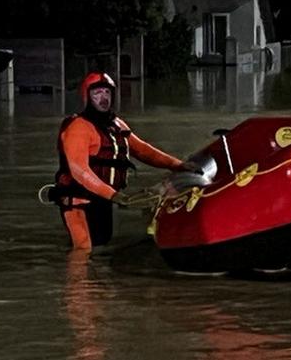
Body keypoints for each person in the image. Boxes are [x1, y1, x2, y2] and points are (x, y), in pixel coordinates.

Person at [52, 72, 197, 251]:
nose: (103, 98)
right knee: (83, 248)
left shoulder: (116, 125)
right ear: (87, 96)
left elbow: (143, 150)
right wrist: (115, 196)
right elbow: (79, 171)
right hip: (77, 200)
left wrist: (178, 165)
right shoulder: (78, 127)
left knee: (101, 243)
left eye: (107, 92)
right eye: (97, 93)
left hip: (103, 199)